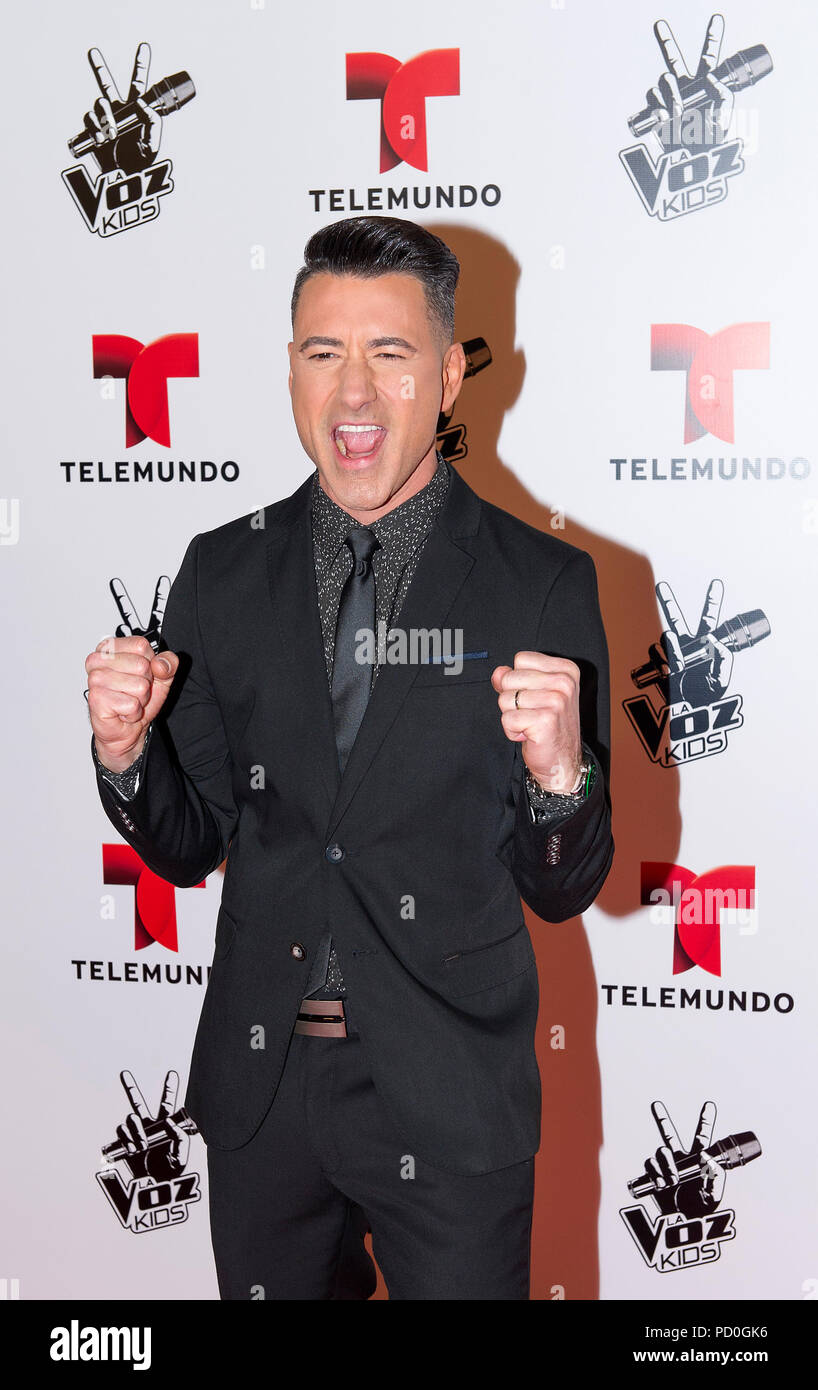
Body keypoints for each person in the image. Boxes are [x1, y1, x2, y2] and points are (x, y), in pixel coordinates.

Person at [85, 215, 614, 1300]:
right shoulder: (222, 573)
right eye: (325, 353)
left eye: (390, 352)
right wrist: (125, 753)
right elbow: (193, 847)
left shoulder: (539, 585)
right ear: (291, 370)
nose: (355, 394)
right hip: (262, 1092)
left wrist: (562, 776)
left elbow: (562, 890)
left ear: (451, 374)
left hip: (451, 1094)